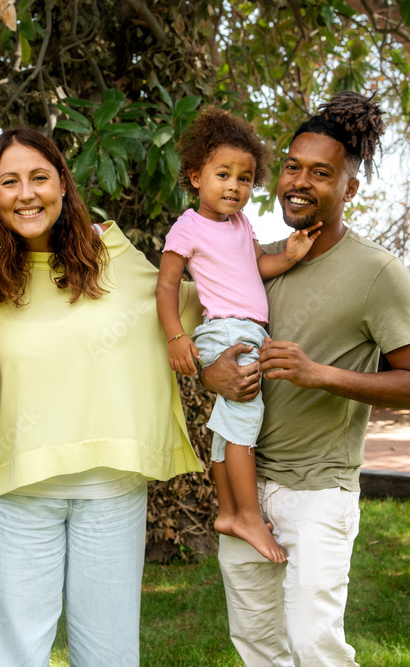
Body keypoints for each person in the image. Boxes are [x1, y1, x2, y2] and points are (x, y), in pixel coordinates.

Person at [201, 91, 410, 665]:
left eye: (321, 172)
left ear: (349, 189)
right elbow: (209, 348)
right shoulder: (257, 261)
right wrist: (214, 376)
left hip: (319, 492)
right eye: (291, 166)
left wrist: (320, 374)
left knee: (314, 646)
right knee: (257, 645)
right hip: (246, 484)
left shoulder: (377, 272)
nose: (299, 182)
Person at [0, 128, 204, 667]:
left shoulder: (115, 255)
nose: (26, 193)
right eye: (9, 181)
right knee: (9, 653)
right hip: (17, 487)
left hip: (111, 486)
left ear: (63, 185)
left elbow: (199, 303)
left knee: (109, 652)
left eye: (39, 178)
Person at [155, 107, 321, 564]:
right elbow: (167, 284)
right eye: (223, 174)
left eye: (245, 179)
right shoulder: (188, 226)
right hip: (228, 332)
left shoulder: (242, 225)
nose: (234, 186)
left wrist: (290, 255)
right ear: (195, 176)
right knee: (246, 425)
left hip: (247, 330)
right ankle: (249, 515)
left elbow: (256, 268)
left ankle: (228, 511)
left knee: (229, 430)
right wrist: (176, 337)